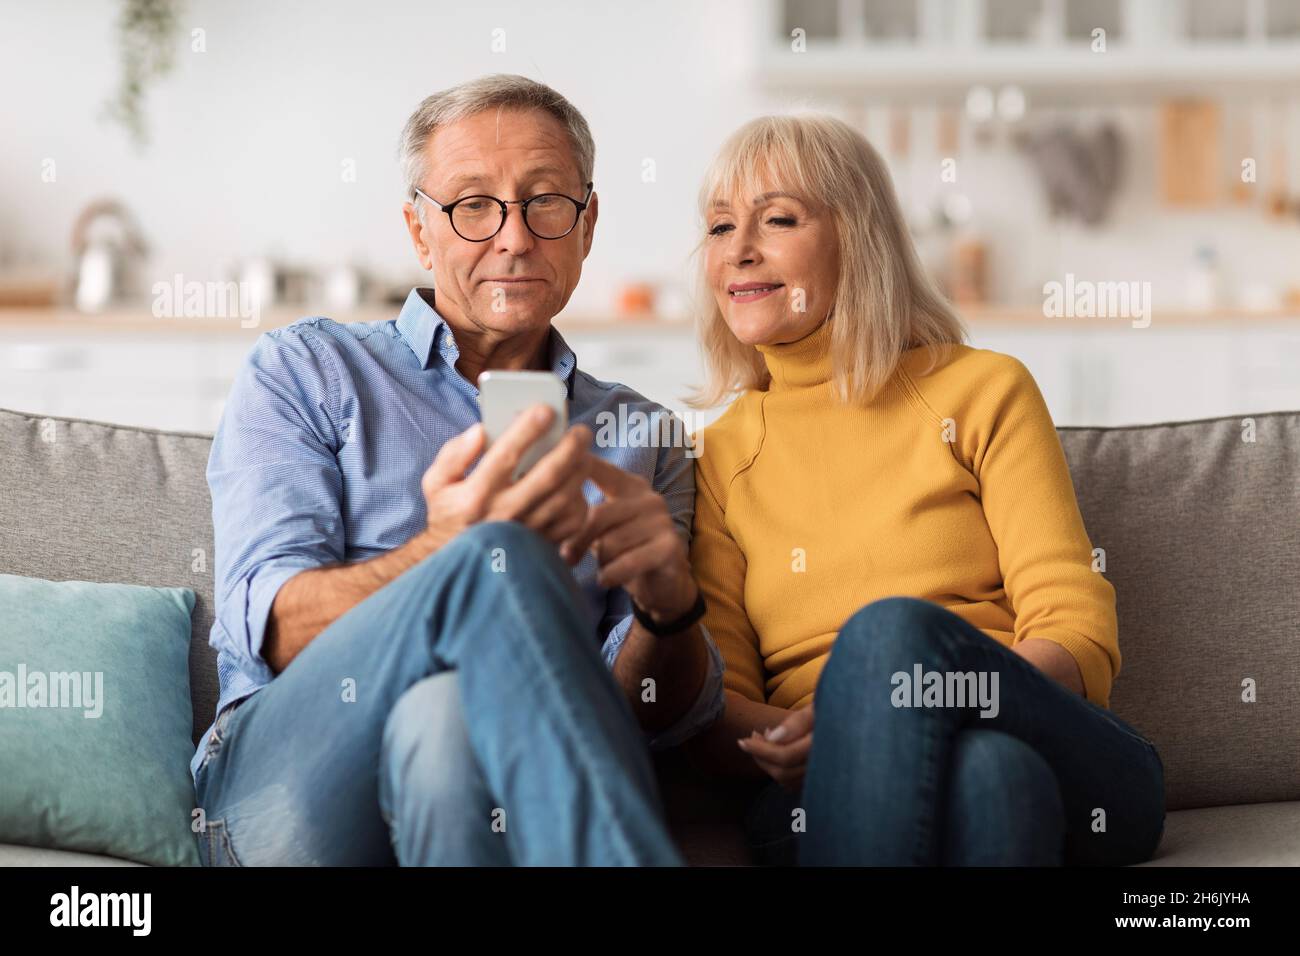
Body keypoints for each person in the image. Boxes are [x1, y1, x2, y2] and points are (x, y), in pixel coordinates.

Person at [191, 74, 724, 866]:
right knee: (491, 553)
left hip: (497, 786)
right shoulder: (306, 369)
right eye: (473, 205)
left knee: (443, 719)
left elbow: (640, 715)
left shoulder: (641, 435)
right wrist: (449, 548)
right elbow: (273, 628)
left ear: (587, 225)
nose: (513, 238)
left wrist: (667, 607)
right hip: (279, 785)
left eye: (545, 201)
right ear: (419, 230)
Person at [682, 114, 1165, 866]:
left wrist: (899, 697)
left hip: (1062, 746)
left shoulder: (982, 390)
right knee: (992, 781)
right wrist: (836, 733)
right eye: (718, 226)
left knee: (892, 640)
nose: (739, 248)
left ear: (859, 238)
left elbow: (1074, 628)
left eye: (777, 218)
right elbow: (725, 698)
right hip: (826, 791)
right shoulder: (720, 456)